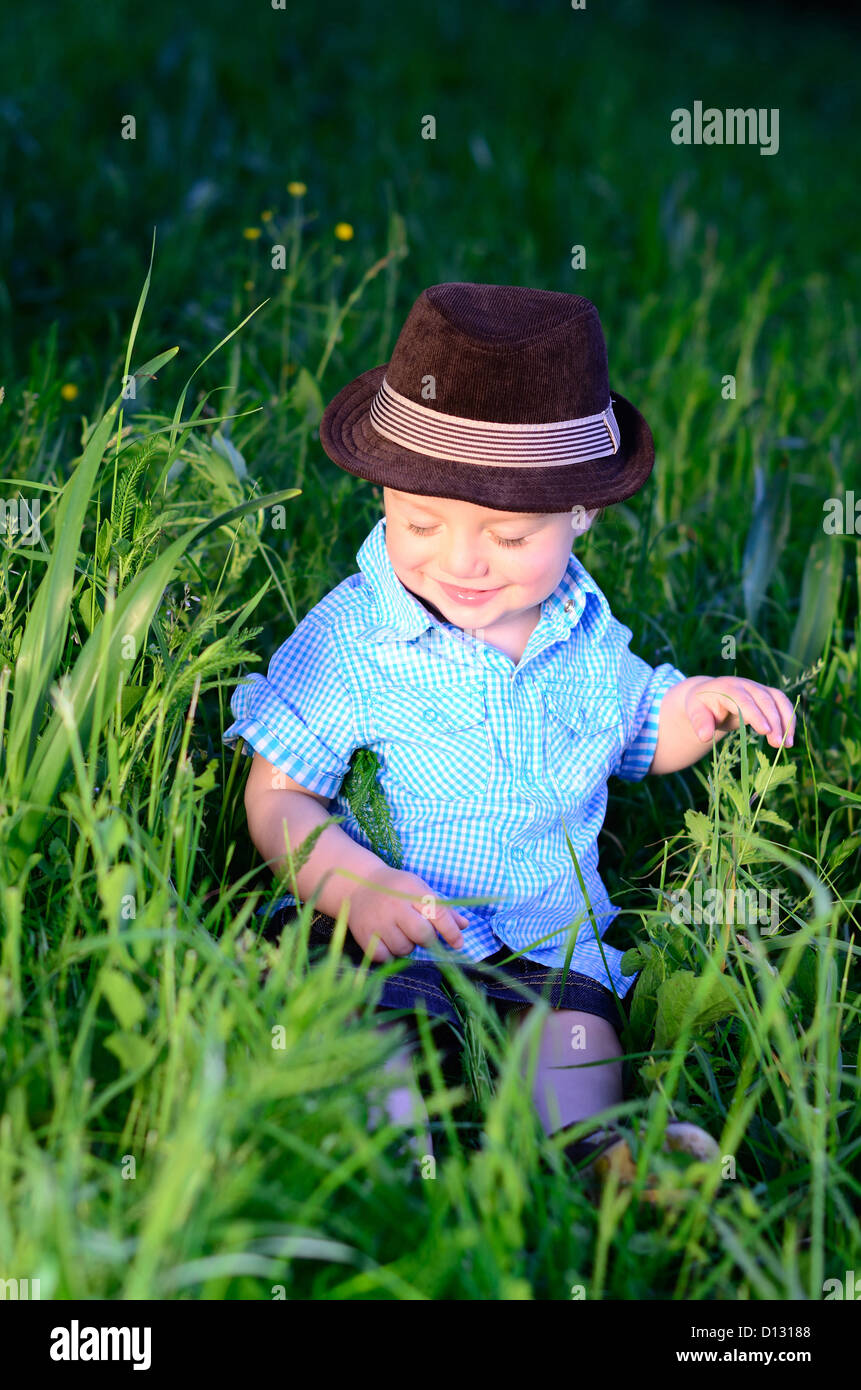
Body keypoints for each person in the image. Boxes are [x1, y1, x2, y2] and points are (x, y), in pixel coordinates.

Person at [223, 283, 796, 1178]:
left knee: (574, 1038)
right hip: (395, 929)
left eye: (509, 535)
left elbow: (642, 728)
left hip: (545, 938)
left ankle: (597, 1156)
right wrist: (358, 886)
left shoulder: (586, 634)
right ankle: (386, 1155)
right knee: (383, 1029)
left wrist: (703, 705)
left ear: (581, 515)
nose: (460, 560)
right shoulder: (351, 638)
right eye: (420, 522)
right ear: (382, 491)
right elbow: (279, 792)